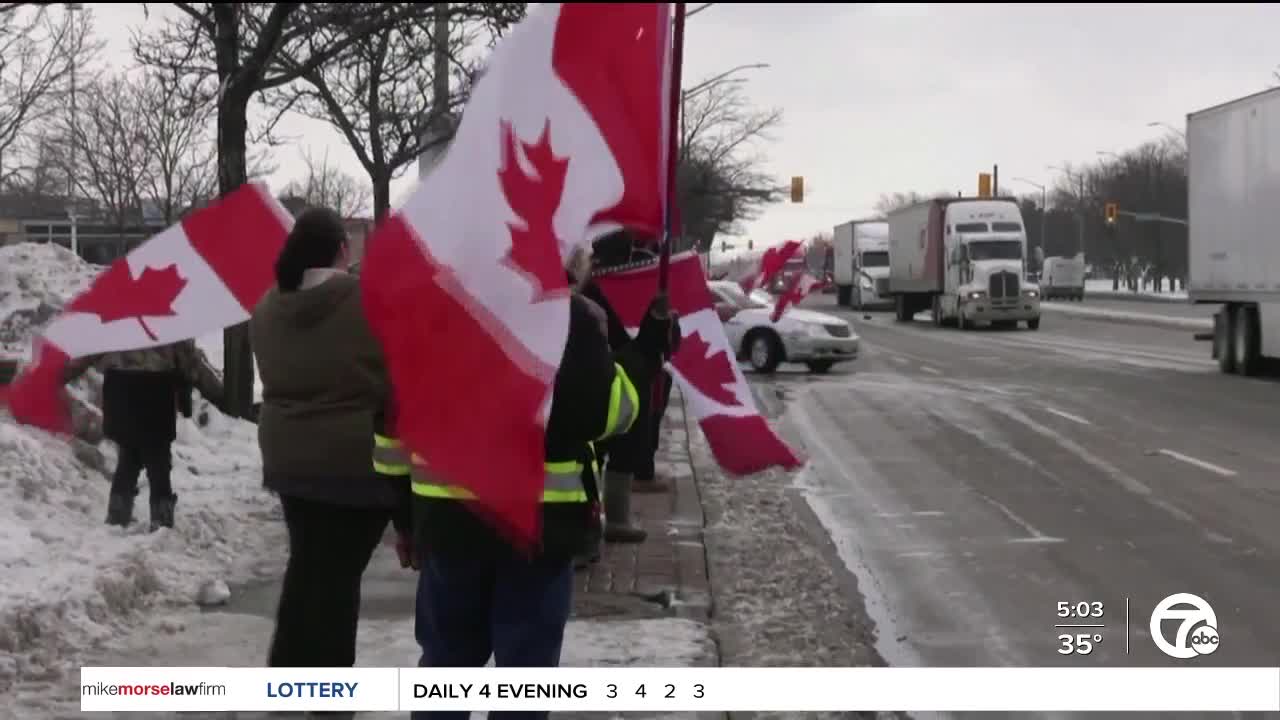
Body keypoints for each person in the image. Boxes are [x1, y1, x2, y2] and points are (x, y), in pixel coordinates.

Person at [409, 242, 675, 720]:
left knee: (446, 670)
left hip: (449, 518)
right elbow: (607, 413)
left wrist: (401, 514)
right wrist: (646, 353)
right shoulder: (569, 322)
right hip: (537, 526)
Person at [249, 206, 413, 673]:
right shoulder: (370, 302)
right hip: (355, 461)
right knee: (337, 579)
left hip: (287, 458)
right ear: (343, 248)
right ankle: (327, 697)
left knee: (309, 564)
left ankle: (286, 673)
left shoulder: (267, 307)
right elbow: (395, 377)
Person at [65, 340, 224, 531]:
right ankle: (161, 518)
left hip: (120, 396)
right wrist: (221, 396)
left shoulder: (116, 324)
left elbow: (91, 356)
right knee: (158, 463)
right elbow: (189, 364)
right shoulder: (170, 325)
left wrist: (61, 375)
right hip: (155, 397)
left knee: (128, 457)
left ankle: (117, 514)